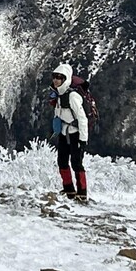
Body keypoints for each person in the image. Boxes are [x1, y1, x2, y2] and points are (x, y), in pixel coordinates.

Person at [49, 63, 90, 201]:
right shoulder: (59, 95)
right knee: (62, 161)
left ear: (65, 79)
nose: (56, 80)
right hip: (64, 132)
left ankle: (82, 193)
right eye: (54, 77)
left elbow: (82, 118)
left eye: (60, 77)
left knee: (76, 162)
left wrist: (83, 139)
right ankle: (69, 190)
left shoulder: (72, 96)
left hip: (75, 133)